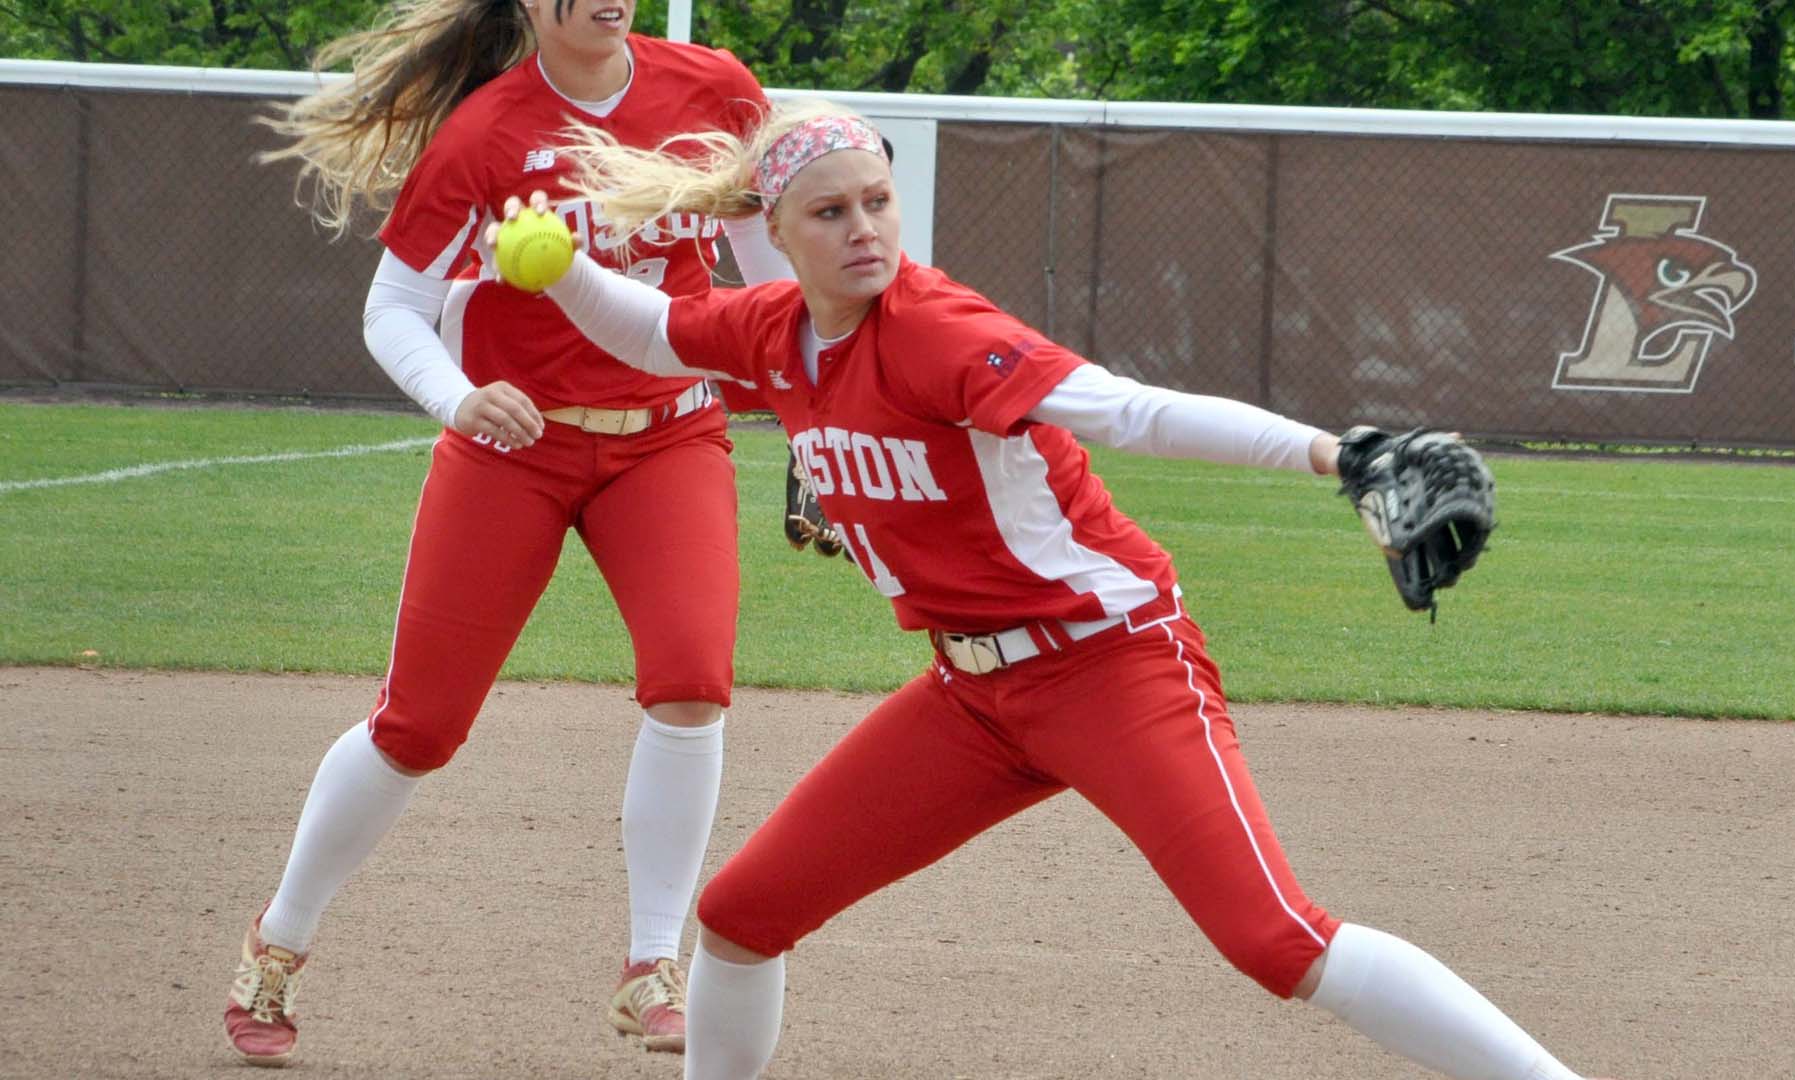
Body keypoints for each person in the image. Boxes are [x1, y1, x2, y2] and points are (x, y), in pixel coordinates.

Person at [506, 102, 1624, 1080]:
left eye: (878, 202)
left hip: (1111, 666)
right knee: (742, 916)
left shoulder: (936, 330)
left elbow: (1129, 410)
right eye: (831, 213)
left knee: (1276, 940)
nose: (865, 230)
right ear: (775, 232)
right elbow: (650, 332)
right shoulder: (774, 331)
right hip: (971, 699)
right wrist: (560, 269)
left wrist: (1339, 453)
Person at [223, 0, 788, 1065]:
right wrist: (459, 397)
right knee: (420, 726)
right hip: (511, 448)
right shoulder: (486, 132)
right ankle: (279, 940)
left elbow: (773, 278)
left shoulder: (712, 90)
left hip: (668, 435)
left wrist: (820, 419)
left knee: (691, 682)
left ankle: (652, 965)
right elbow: (393, 307)